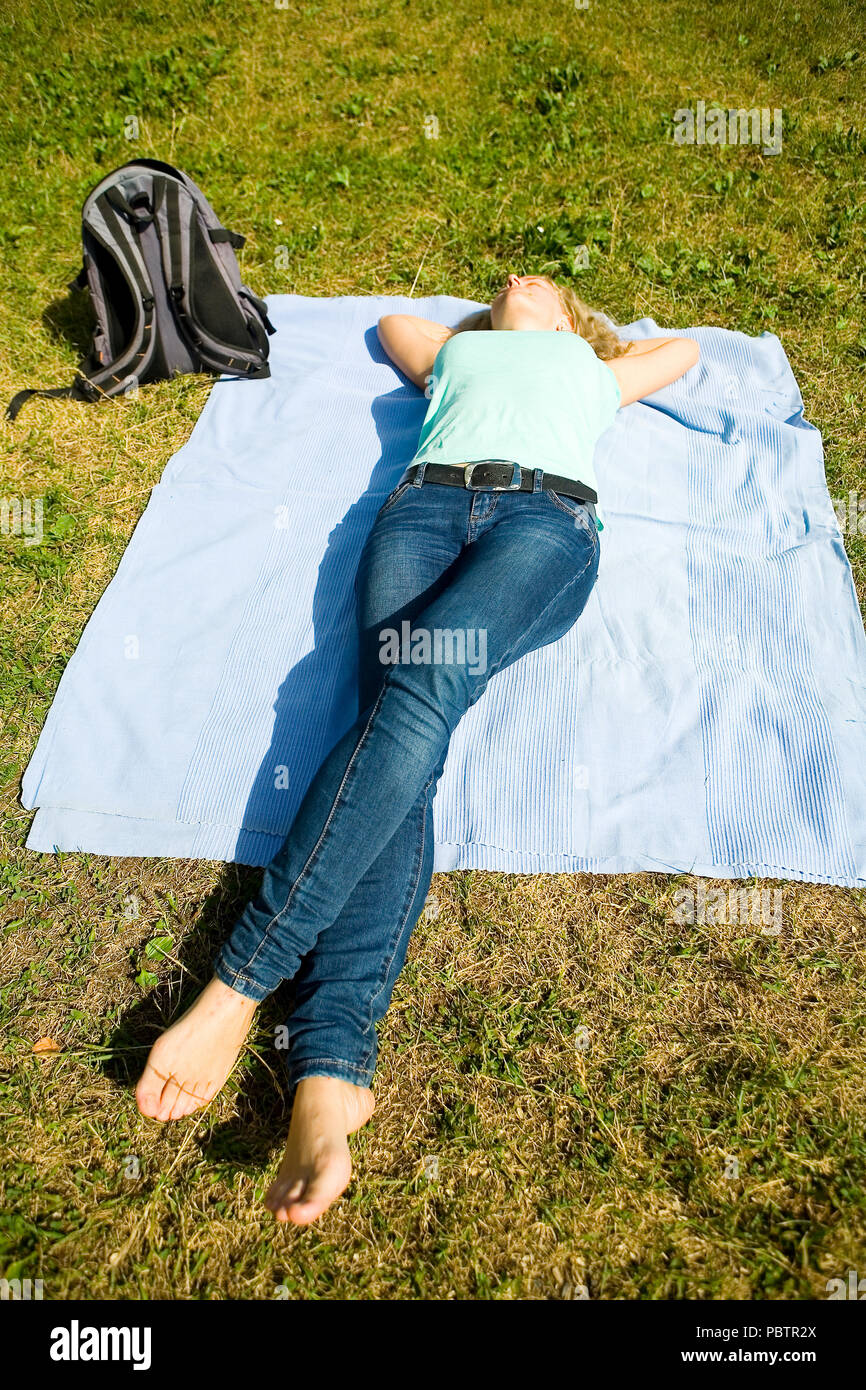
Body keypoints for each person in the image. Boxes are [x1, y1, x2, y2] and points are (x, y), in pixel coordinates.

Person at [135, 273, 700, 1225]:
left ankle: (238, 987)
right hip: (422, 511)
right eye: (507, 280)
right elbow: (396, 328)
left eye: (545, 279)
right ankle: (328, 1077)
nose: (520, 277)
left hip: (542, 523)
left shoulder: (595, 368)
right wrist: (492, 329)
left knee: (424, 687)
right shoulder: (456, 350)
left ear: (573, 315)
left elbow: (683, 353)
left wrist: (577, 340)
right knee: (403, 730)